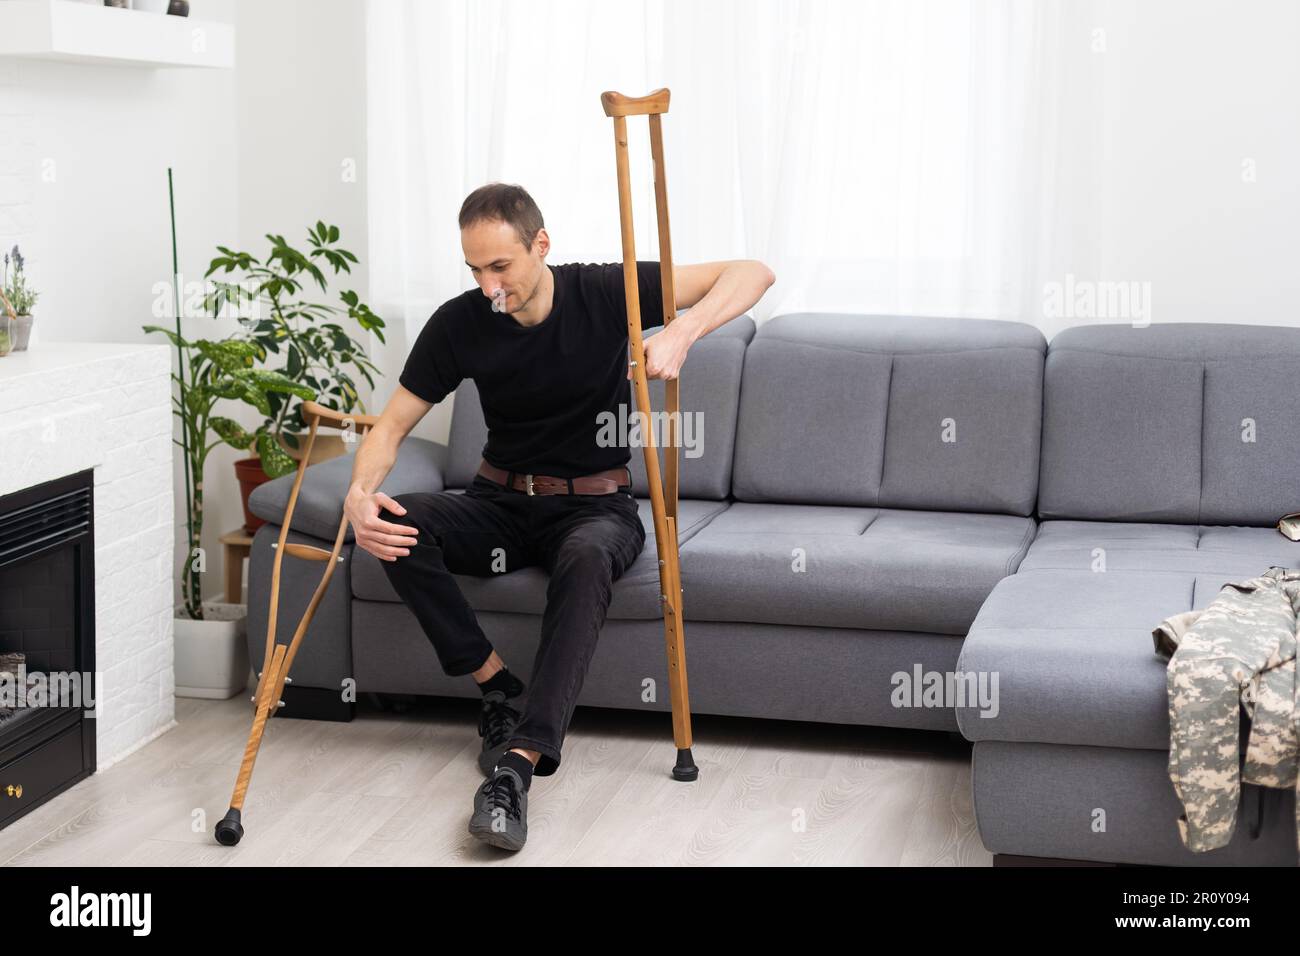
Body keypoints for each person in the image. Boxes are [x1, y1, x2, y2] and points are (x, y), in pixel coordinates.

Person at [342, 182, 775, 851]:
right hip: (499, 504)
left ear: (541, 245)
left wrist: (683, 331)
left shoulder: (606, 292)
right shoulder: (460, 323)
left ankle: (517, 767)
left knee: (585, 557)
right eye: (475, 270)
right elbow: (391, 426)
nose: (489, 286)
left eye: (501, 267)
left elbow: (753, 272)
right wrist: (358, 497)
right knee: (397, 522)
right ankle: (495, 685)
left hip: (594, 507)